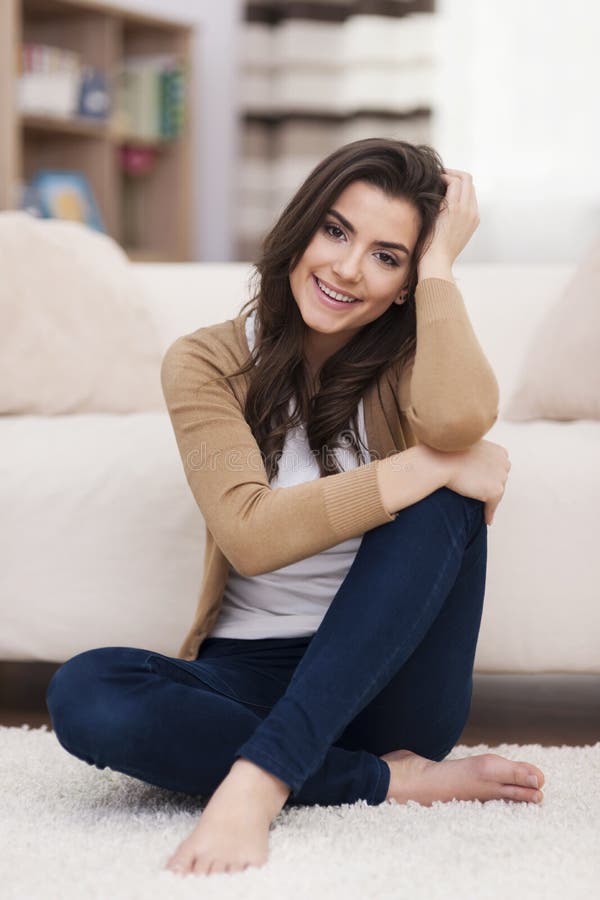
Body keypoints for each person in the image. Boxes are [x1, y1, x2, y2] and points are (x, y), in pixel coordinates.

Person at [46, 138, 545, 879]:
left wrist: (441, 268)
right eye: (336, 231)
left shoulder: (410, 359)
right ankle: (381, 780)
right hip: (246, 673)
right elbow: (249, 536)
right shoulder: (207, 361)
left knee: (445, 499)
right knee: (84, 693)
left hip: (390, 685)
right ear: (302, 224)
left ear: (407, 282)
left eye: (387, 256)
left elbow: (457, 418)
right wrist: (425, 465)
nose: (347, 268)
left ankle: (260, 780)